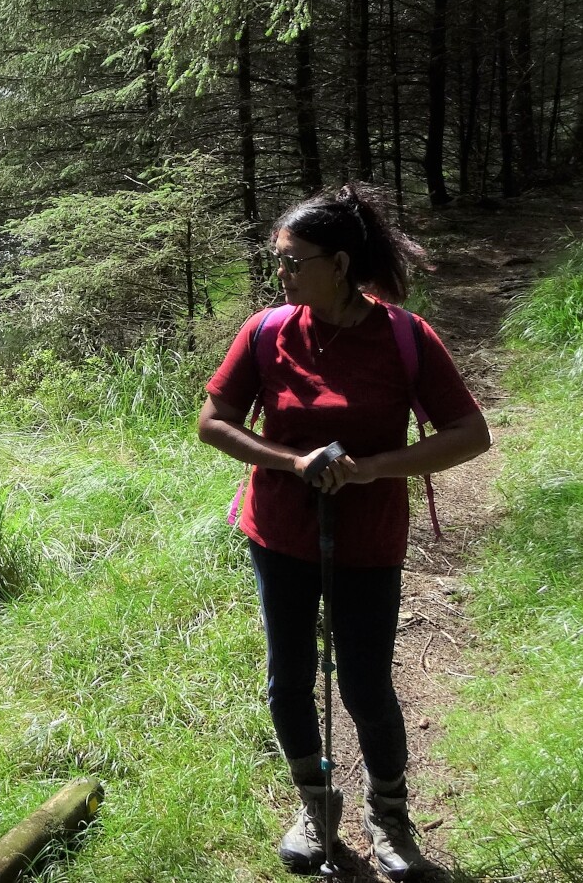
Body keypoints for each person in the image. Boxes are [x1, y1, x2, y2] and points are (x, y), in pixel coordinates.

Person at [197, 184, 491, 880]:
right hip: (277, 532)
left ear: (339, 262)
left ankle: (390, 818)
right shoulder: (267, 331)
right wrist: (290, 460)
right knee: (288, 680)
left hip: (368, 539)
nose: (281, 273)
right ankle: (315, 806)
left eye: (293, 260)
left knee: (364, 685)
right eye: (279, 260)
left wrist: (370, 471)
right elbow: (213, 423)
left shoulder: (403, 336)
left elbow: (468, 434)